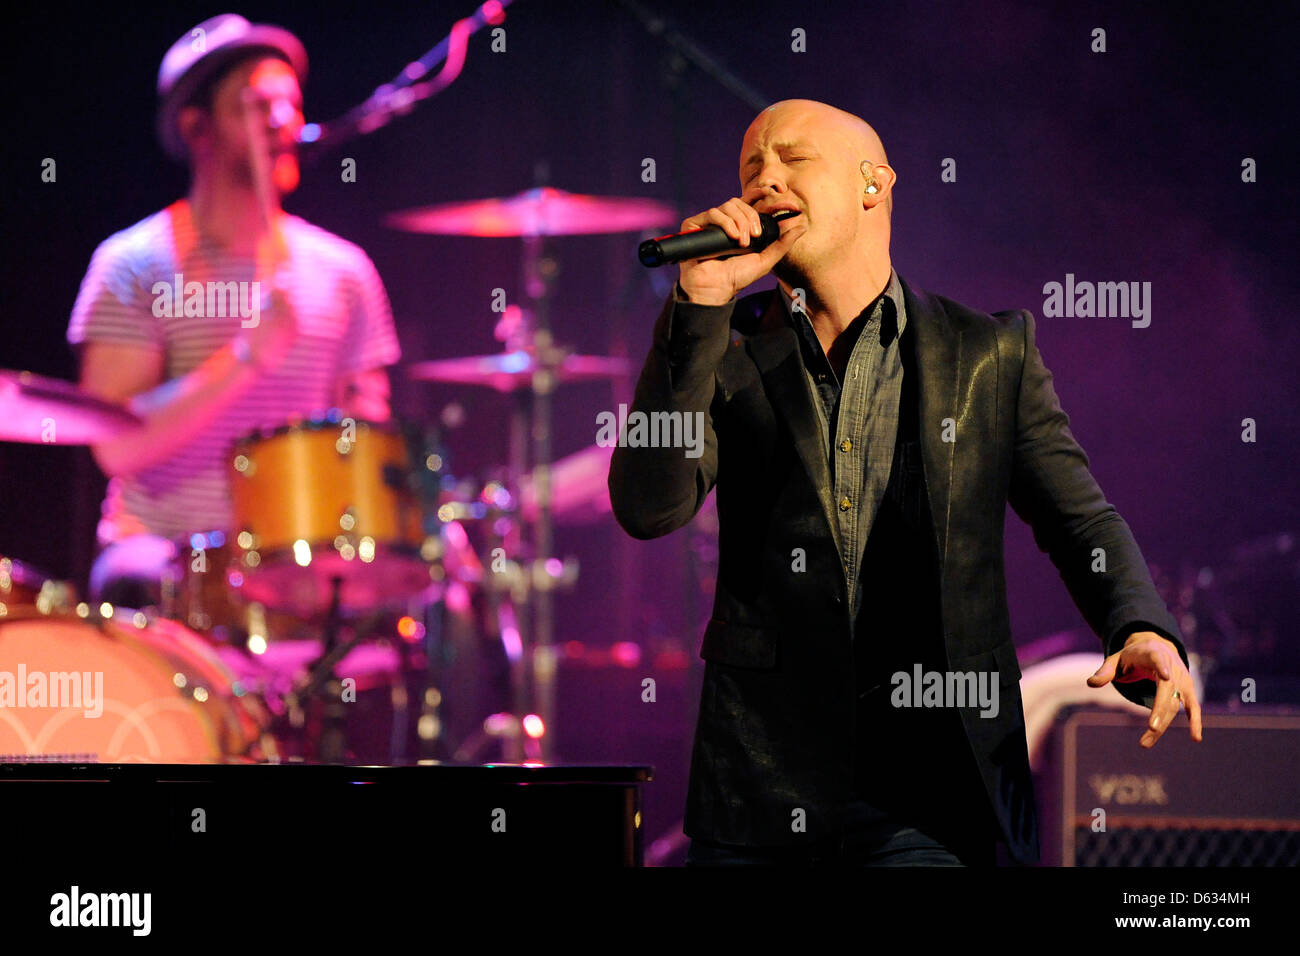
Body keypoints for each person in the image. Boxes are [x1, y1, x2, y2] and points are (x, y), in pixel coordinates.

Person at [608, 99, 1202, 866]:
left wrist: (1138, 625)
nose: (765, 181)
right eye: (752, 167)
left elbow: (1078, 518)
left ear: (873, 184)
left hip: (935, 792)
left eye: (793, 159)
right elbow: (649, 508)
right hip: (762, 787)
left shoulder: (988, 353)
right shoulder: (724, 347)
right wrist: (699, 310)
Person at [67, 14, 400, 607]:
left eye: (289, 105)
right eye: (255, 106)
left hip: (299, 557)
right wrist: (246, 357)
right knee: (136, 580)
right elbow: (117, 448)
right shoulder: (134, 264)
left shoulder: (344, 272)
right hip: (165, 556)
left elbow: (365, 429)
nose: (283, 123)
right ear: (197, 128)